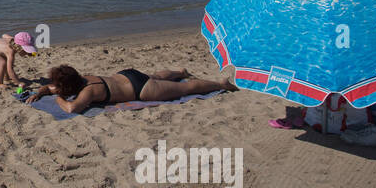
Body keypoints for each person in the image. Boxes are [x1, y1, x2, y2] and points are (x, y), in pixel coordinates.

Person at [26, 63, 236, 114]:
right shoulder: (84, 79)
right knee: (155, 76)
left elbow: (72, 108)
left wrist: (58, 100)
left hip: (140, 89)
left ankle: (220, 84)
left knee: (184, 90)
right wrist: (42, 91)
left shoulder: (87, 92)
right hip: (126, 74)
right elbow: (56, 87)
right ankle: (179, 71)